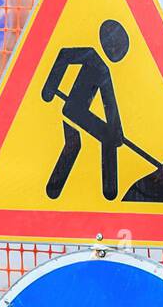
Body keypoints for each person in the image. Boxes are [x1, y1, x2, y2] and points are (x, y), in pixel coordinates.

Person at [40, 19, 130, 201]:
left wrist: (117, 130)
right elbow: (64, 56)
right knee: (91, 141)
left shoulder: (103, 69)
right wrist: (49, 88)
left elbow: (109, 103)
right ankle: (109, 190)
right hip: (74, 109)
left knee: (81, 143)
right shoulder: (90, 56)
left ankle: (54, 190)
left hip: (76, 111)